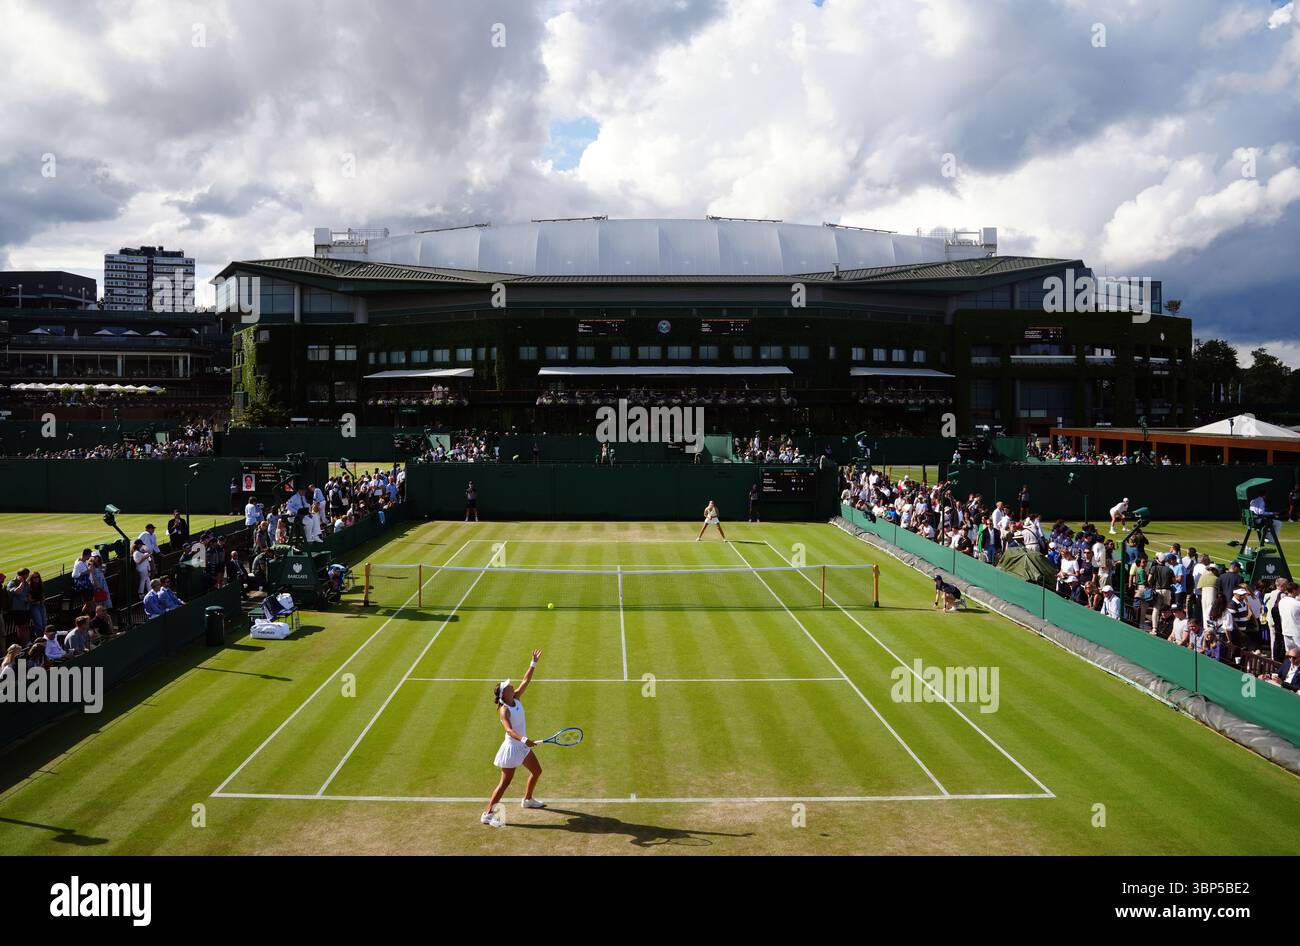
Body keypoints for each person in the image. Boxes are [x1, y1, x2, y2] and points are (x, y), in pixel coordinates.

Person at [482, 650, 545, 828]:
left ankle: (527, 799)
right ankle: (487, 814)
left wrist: (533, 663)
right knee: (505, 783)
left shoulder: (515, 697)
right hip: (512, 747)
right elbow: (509, 731)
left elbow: (526, 680)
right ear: (505, 694)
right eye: (508, 686)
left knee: (537, 771)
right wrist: (525, 739)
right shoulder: (504, 710)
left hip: (522, 746)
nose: (512, 686)